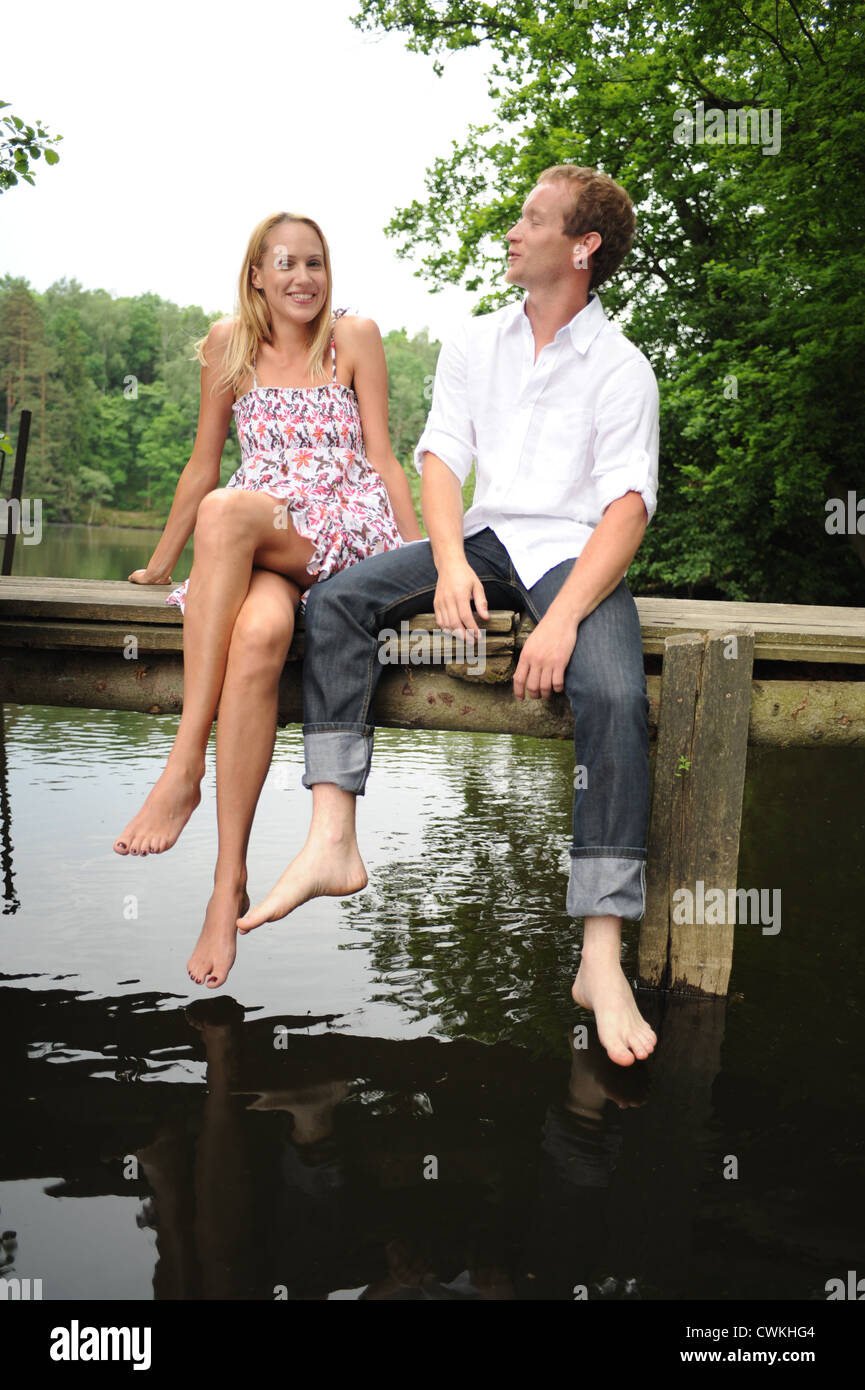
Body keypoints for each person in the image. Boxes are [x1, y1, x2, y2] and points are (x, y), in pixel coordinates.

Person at [237, 166, 660, 1068]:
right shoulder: (478, 343)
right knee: (340, 602)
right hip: (488, 541)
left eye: (532, 219)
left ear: (580, 248)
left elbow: (626, 508)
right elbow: (439, 460)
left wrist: (558, 625)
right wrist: (450, 560)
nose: (513, 230)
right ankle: (332, 837)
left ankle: (600, 957)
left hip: (575, 556)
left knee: (616, 695)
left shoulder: (623, 369)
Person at [113, 211, 422, 988]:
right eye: (285, 263)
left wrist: (427, 569)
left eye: (315, 263)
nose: (302, 278)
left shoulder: (355, 337)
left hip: (334, 526)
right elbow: (201, 463)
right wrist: (157, 564)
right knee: (256, 638)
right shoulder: (228, 346)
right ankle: (227, 889)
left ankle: (182, 766)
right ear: (256, 273)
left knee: (228, 509)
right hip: (260, 545)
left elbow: (382, 457)